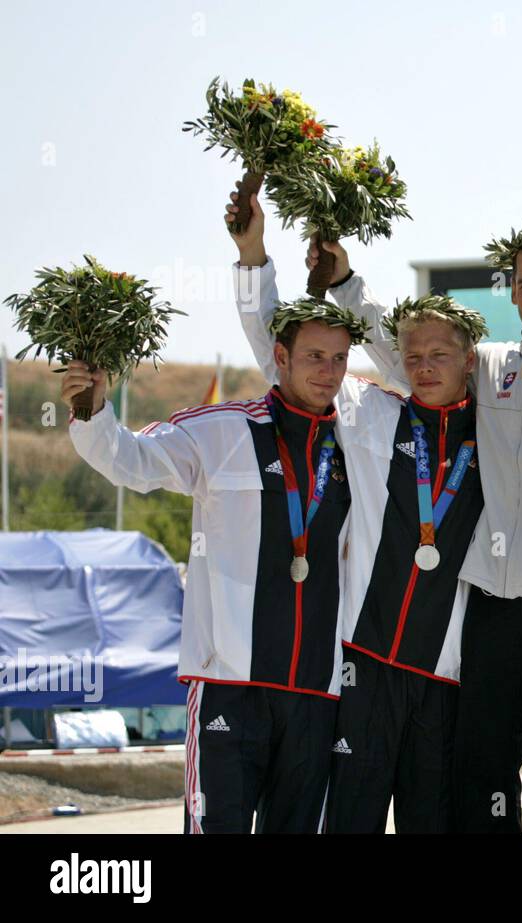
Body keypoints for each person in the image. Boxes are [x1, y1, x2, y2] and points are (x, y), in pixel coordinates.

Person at [321, 222, 522, 834]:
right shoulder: (492, 363)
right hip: (495, 603)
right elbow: (413, 358)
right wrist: (345, 284)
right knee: (486, 767)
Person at [62, 266, 367, 833]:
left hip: (316, 692)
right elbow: (134, 461)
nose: (328, 372)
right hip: (230, 685)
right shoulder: (222, 430)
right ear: (280, 356)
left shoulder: (357, 445)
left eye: (339, 359)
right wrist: (91, 412)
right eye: (314, 356)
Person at [228, 190, 490, 833]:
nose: (422, 368)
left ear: (470, 361)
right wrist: (255, 258)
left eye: (440, 356)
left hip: (445, 673)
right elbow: (283, 353)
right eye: (412, 356)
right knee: (349, 822)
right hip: (360, 664)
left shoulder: (501, 436)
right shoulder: (371, 415)